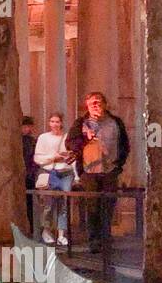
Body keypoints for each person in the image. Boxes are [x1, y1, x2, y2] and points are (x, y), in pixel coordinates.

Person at [67, 91, 130, 254]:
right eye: (92, 103)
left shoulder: (116, 122)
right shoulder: (81, 123)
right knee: (93, 206)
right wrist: (85, 138)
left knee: (108, 205)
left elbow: (124, 144)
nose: (96, 105)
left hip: (110, 170)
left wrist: (119, 164)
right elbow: (71, 143)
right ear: (87, 106)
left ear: (105, 104)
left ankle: (106, 238)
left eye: (98, 102)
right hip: (89, 171)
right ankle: (94, 240)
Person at [34, 112, 74, 246]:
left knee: (64, 204)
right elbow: (38, 158)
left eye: (57, 121)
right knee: (48, 204)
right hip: (49, 172)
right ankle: (46, 230)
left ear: (61, 123)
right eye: (52, 121)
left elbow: (73, 157)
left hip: (65, 172)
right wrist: (53, 157)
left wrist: (67, 159)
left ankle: (62, 233)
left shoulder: (67, 137)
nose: (55, 124)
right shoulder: (43, 138)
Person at [22, 116, 37, 232]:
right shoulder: (17, 140)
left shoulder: (32, 141)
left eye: (29, 126)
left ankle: (32, 226)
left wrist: (32, 171)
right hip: (22, 173)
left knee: (30, 202)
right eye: (25, 126)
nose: (27, 129)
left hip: (30, 175)